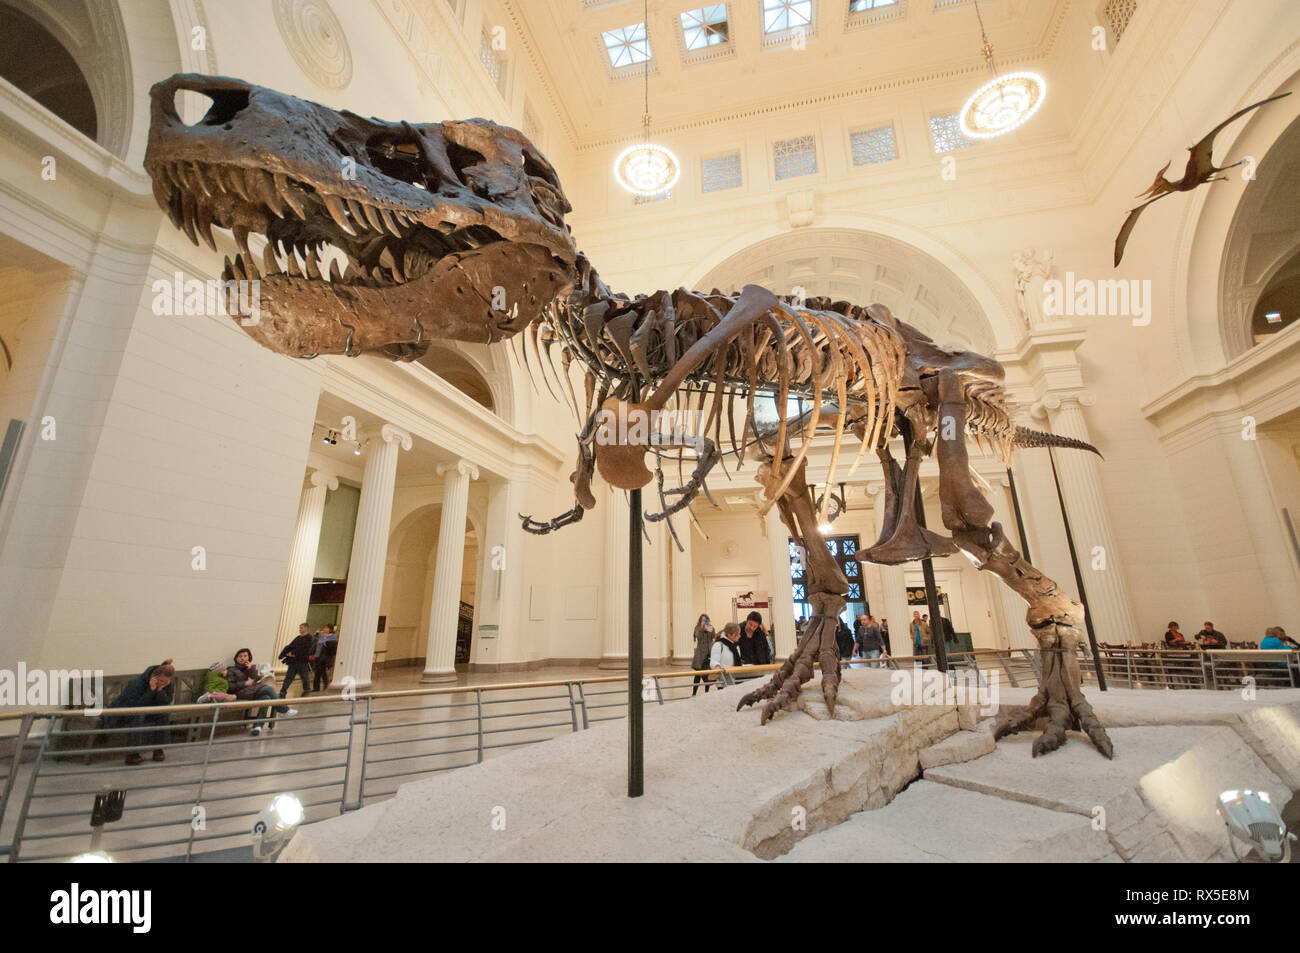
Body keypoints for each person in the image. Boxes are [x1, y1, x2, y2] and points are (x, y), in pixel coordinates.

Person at [104, 660, 175, 765]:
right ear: (153, 677)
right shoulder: (137, 683)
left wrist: (160, 690)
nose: (162, 683)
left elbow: (166, 702)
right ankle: (132, 754)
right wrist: (151, 690)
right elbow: (136, 706)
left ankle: (158, 749)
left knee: (164, 714)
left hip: (149, 711)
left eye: (165, 682)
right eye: (160, 681)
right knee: (138, 716)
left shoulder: (167, 685)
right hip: (127, 711)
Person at [228, 648, 290, 735]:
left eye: (245, 656)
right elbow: (231, 687)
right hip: (241, 693)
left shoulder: (250, 668)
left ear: (249, 657)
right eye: (240, 656)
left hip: (252, 691)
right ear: (236, 658)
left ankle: (257, 727)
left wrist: (250, 669)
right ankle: (283, 709)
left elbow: (257, 679)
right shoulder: (231, 669)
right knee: (268, 689)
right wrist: (245, 683)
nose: (243, 658)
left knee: (266, 698)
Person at [279, 623, 315, 698]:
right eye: (300, 628)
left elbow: (304, 649)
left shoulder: (309, 638)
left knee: (304, 677)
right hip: (294, 661)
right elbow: (290, 646)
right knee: (289, 676)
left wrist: (293, 653)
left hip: (302, 661)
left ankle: (306, 690)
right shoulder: (298, 638)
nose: (300, 629)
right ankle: (283, 691)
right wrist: (284, 653)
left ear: (306, 628)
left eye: (301, 628)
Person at [691, 613, 716, 696]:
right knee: (697, 675)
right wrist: (702, 627)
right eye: (703, 620)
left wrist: (710, 627)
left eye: (706, 620)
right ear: (700, 621)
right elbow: (697, 636)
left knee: (707, 675)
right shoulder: (697, 628)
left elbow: (713, 636)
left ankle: (706, 693)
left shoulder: (710, 627)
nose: (704, 621)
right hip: (700, 655)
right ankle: (694, 693)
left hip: (708, 654)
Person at [312, 624, 338, 691]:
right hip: (318, 654)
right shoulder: (321, 635)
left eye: (326, 628)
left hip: (325, 656)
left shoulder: (333, 636)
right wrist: (316, 634)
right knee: (318, 671)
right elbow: (314, 641)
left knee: (321, 671)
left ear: (330, 629)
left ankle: (324, 685)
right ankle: (317, 687)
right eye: (325, 627)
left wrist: (324, 642)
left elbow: (331, 645)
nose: (325, 629)